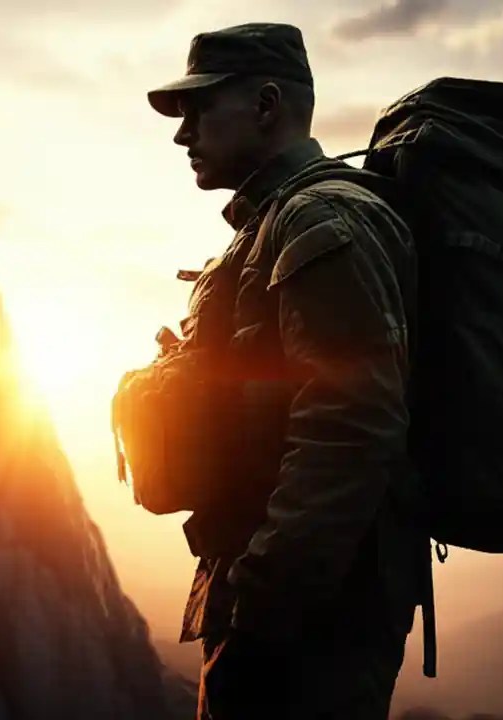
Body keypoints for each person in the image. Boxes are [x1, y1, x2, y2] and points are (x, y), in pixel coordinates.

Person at [146, 22, 428, 720]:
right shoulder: (276, 223)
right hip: (292, 605)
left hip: (308, 625)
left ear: (267, 105)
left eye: (200, 109)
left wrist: (261, 605)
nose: (183, 136)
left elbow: (352, 427)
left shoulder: (319, 220)